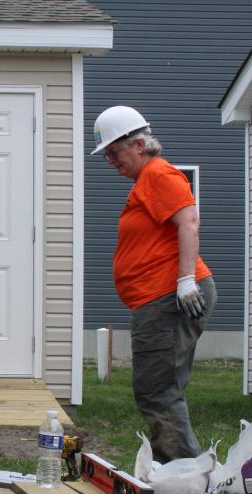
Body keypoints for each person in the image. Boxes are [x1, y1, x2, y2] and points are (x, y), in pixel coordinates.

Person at [91, 105, 216, 463]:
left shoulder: (159, 175)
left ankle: (187, 482)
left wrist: (185, 280)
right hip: (160, 298)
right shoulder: (146, 181)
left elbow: (189, 221)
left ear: (140, 144)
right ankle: (176, 473)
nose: (111, 160)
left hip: (168, 298)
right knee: (163, 390)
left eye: (115, 152)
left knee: (157, 391)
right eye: (107, 154)